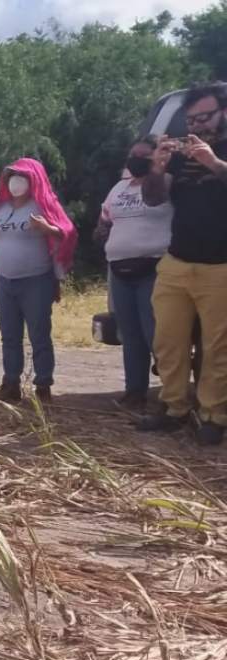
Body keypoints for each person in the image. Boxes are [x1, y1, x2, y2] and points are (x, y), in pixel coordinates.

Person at [138, 83, 227, 445]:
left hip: (220, 266)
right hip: (176, 261)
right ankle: (174, 408)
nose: (197, 126)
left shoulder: (216, 153)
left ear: (224, 113)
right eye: (191, 120)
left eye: (205, 117)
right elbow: (153, 199)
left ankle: (213, 415)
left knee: (217, 347)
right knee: (167, 342)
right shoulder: (179, 154)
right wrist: (156, 169)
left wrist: (214, 163)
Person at [0, 158, 76, 404]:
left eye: (21, 176)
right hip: (5, 280)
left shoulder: (43, 204)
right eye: (11, 176)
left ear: (34, 179)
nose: (15, 181)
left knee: (39, 334)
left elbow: (68, 232)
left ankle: (43, 386)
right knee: (9, 335)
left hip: (36, 280)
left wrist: (48, 229)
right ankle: (10, 384)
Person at [93, 136, 172, 412]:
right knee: (130, 335)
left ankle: (172, 396)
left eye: (143, 155)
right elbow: (104, 221)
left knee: (156, 334)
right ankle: (135, 392)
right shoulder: (119, 188)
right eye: (132, 155)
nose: (135, 160)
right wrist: (106, 238)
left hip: (153, 268)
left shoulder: (166, 183)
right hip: (120, 270)